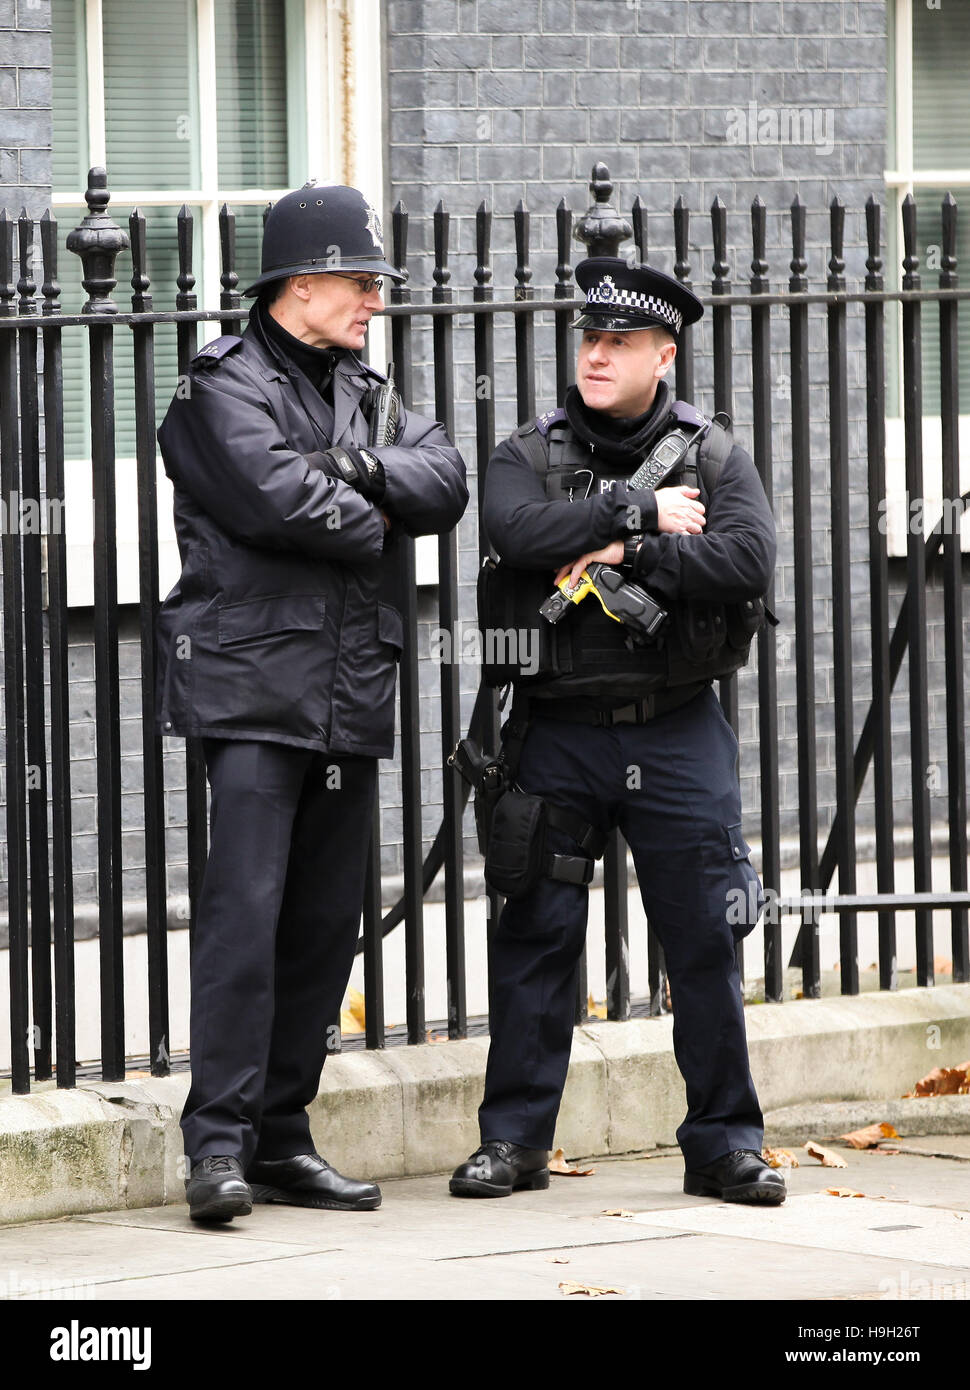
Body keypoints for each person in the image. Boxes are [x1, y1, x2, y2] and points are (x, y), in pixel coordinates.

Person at [155, 182, 468, 1223]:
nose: (374, 298)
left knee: (324, 922)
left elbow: (446, 481)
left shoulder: (365, 393)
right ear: (301, 283)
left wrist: (354, 468)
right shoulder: (218, 387)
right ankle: (217, 1148)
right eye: (360, 280)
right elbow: (276, 498)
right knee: (244, 918)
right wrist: (366, 500)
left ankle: (283, 1136)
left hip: (346, 685)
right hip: (250, 685)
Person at [450, 256, 784, 1205]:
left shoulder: (713, 455)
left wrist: (616, 550)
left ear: (662, 356)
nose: (597, 355)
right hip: (555, 732)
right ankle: (514, 1142)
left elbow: (748, 558)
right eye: (589, 338)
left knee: (704, 938)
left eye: (620, 342)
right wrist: (639, 516)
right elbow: (516, 532)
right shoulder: (529, 449)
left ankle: (725, 1143)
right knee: (535, 935)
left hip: (677, 730)